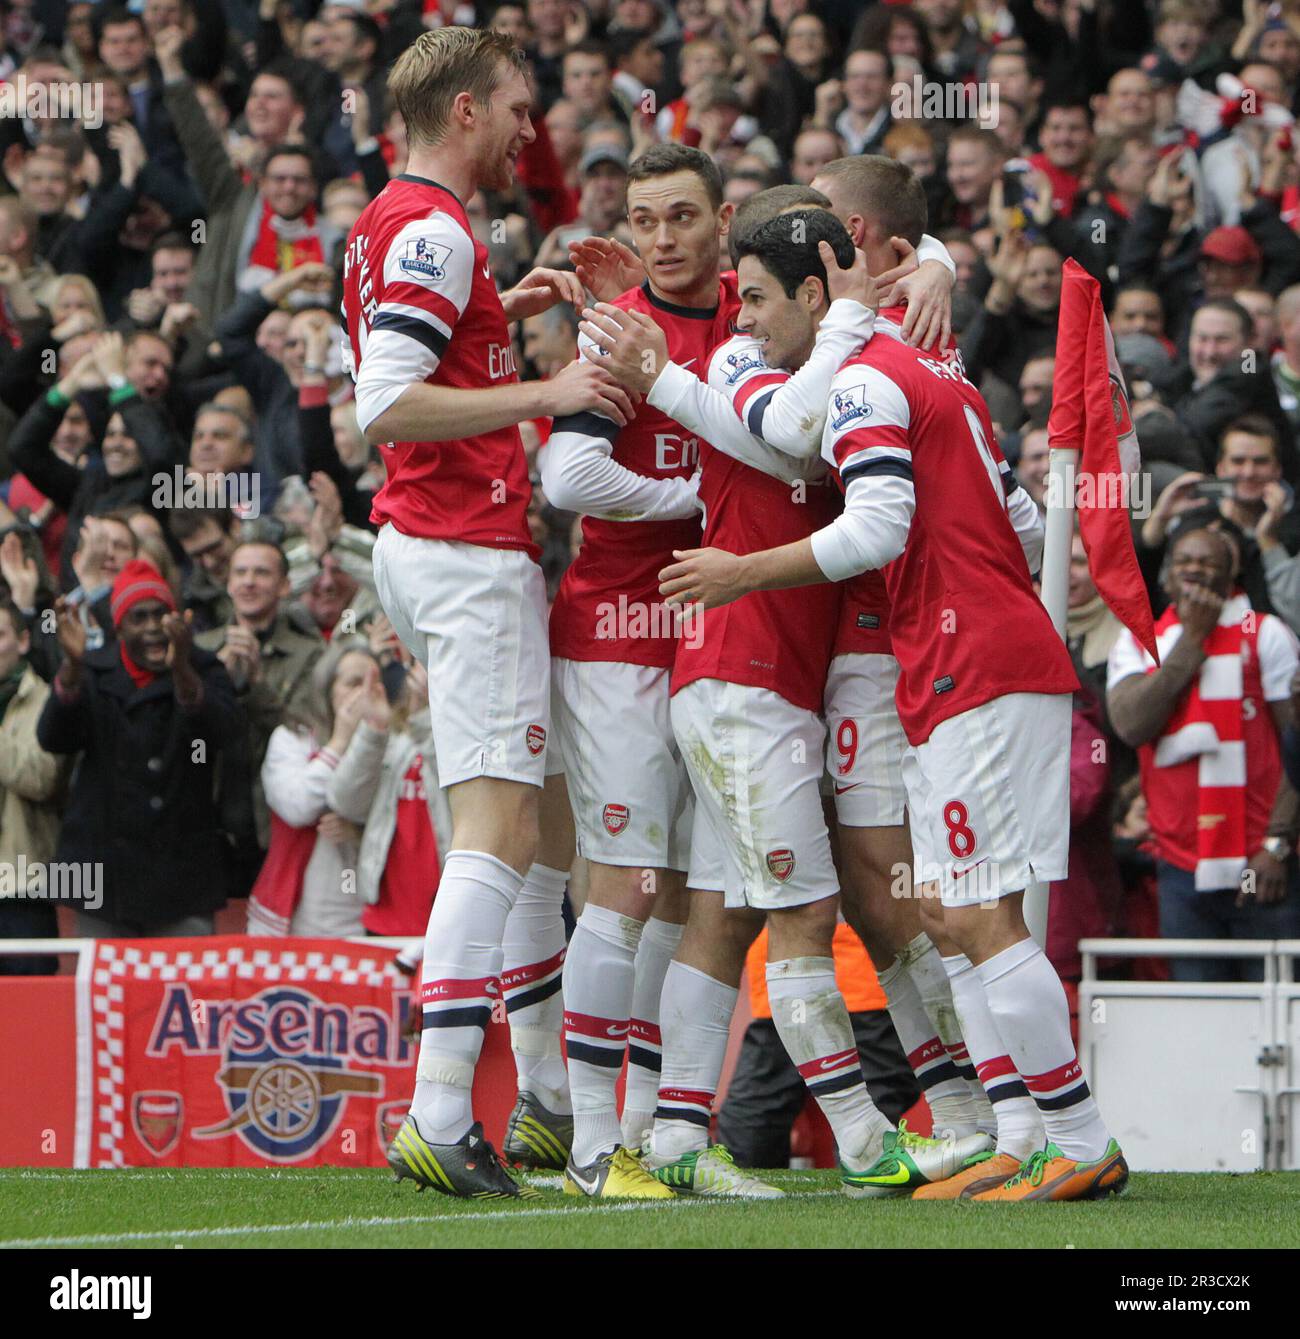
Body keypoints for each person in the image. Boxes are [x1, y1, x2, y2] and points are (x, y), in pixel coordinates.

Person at [657, 225, 1128, 1201]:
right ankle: (1010, 1129)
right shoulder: (933, 375)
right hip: (978, 659)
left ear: (814, 289)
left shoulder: (867, 383)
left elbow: (878, 523)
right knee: (956, 913)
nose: (742, 319)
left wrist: (743, 569)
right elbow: (1019, 520)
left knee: (969, 913)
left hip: (973, 664)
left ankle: (1077, 1138)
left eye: (754, 299)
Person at [580, 197, 995, 1197]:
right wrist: (850, 313)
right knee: (809, 910)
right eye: (743, 298)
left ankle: (677, 1135)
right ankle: (865, 1142)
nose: (741, 314)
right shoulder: (738, 367)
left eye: (758, 297)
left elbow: (887, 228)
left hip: (770, 689)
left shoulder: (826, 365)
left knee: (727, 917)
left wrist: (929, 263)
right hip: (737, 684)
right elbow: (795, 432)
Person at [342, 25, 633, 1201]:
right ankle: (441, 1106)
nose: (532, 130)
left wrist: (492, 311)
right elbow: (387, 407)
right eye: (516, 106)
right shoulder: (429, 228)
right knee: (501, 830)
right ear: (464, 110)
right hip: (463, 550)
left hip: (432, 546)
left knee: (520, 827)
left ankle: (540, 1105)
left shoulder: (398, 221)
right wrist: (551, 389)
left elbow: (420, 364)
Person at [1107, 525, 1300, 981]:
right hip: (1180, 867)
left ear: (1232, 573)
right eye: (1184, 561)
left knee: (1274, 1017)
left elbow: (1297, 748)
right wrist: (1192, 642)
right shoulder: (1138, 641)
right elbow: (1132, 725)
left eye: (1209, 562)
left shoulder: (1266, 633)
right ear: (1166, 577)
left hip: (1264, 865)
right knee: (1199, 1014)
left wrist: (1278, 842)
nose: (1195, 569)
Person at [38, 558, 241, 937]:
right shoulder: (93, 670)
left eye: (159, 615)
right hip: (103, 875)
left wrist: (182, 670)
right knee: (104, 992)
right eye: (138, 618)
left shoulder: (203, 666)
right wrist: (71, 669)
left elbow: (224, 733)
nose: (151, 629)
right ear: (118, 627)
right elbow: (53, 739)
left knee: (182, 989)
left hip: (181, 873)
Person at [249, 639, 383, 939]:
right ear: (326, 688)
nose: (364, 694)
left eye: (374, 683)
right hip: (286, 919)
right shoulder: (291, 738)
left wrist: (358, 832)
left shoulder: (389, 743)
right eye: (353, 683)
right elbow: (297, 807)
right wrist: (339, 743)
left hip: (357, 918)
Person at [326, 660, 453, 938]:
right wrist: (374, 729)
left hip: (446, 919)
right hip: (385, 915)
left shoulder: (464, 740)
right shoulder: (392, 736)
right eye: (417, 666)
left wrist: (424, 715)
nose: (422, 675)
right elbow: (343, 801)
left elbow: (449, 766)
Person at [0, 598, 67, 974]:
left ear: (24, 641)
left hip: (21, 888)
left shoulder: (46, 701)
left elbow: (41, 779)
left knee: (29, 1017)